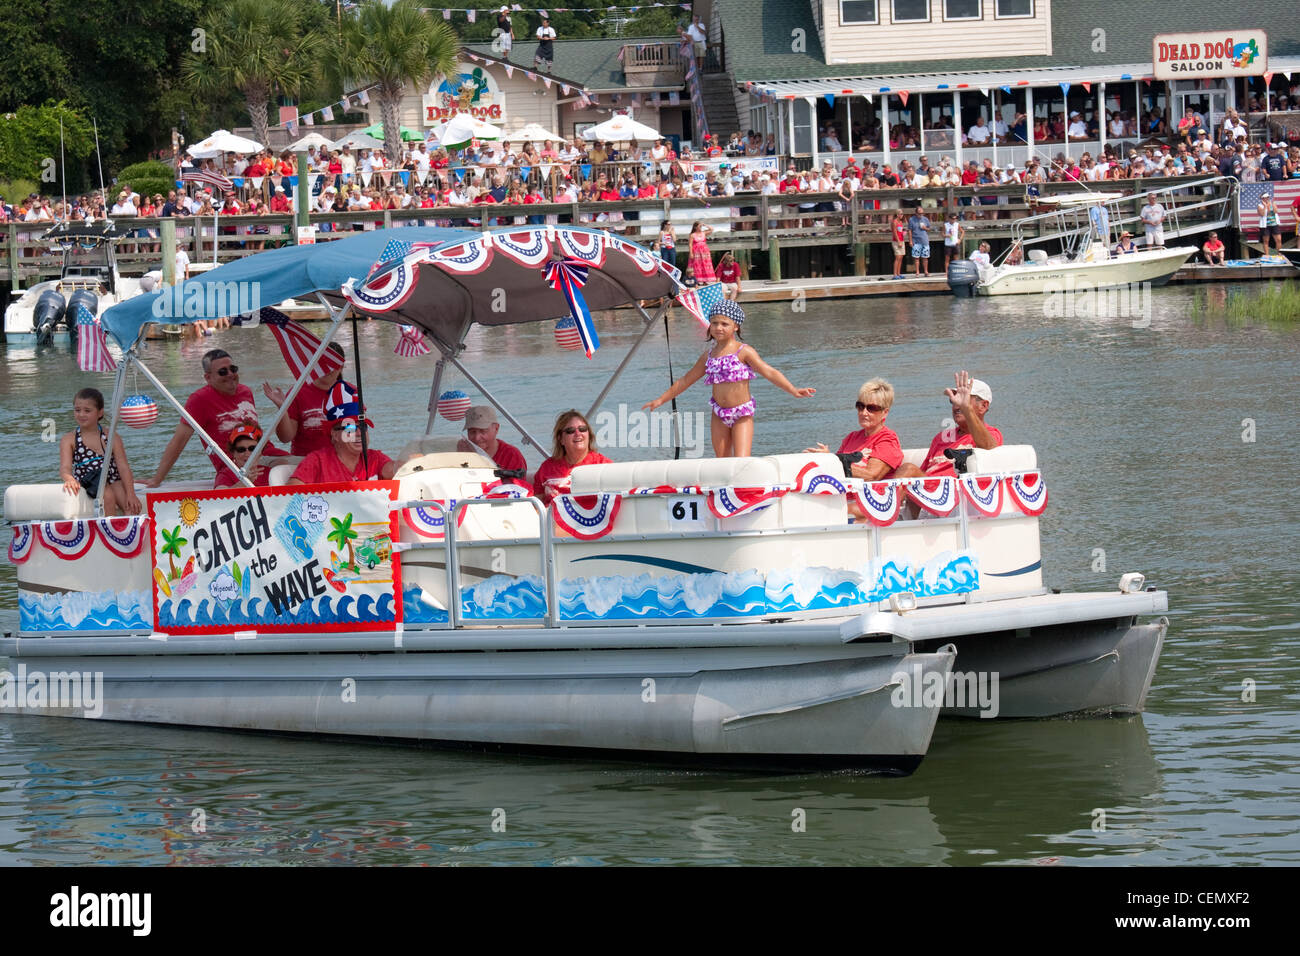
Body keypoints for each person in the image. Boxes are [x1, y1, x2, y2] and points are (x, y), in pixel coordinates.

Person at [643, 300, 815, 458]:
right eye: (715, 323)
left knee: (741, 461)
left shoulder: (744, 351)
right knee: (723, 461)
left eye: (725, 324)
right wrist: (661, 400)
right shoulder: (708, 356)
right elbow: (685, 380)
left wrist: (793, 390)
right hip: (718, 414)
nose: (719, 327)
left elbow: (769, 372)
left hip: (742, 414)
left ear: (736, 327)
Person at [146, 349, 265, 486]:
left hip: (263, 455)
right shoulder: (199, 400)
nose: (230, 374)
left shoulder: (246, 391)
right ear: (208, 378)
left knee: (292, 463)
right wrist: (157, 479)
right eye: (223, 372)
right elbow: (179, 441)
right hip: (234, 465)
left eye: (233, 369)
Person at [804, 379, 903, 523]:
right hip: (843, 500)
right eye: (860, 406)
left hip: (871, 503)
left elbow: (871, 476)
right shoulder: (852, 437)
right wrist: (826, 460)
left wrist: (833, 459)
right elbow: (838, 469)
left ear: (885, 412)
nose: (864, 412)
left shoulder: (887, 439)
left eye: (872, 408)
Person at [894, 371, 1002, 481]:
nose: (956, 406)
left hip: (954, 490)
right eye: (953, 400)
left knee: (908, 469)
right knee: (908, 470)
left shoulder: (991, 434)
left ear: (983, 406)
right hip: (927, 490)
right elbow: (923, 472)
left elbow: (990, 449)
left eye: (964, 399)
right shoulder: (942, 437)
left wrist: (967, 409)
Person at [288, 383, 400, 484]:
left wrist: (412, 459)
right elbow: (292, 491)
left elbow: (395, 471)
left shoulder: (375, 458)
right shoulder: (317, 461)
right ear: (335, 434)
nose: (359, 433)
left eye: (363, 426)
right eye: (350, 427)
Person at [260, 343, 352, 458]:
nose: (326, 369)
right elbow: (285, 438)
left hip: (342, 462)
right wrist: (282, 408)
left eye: (331, 364)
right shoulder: (297, 392)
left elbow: (355, 436)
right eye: (322, 363)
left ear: (341, 367)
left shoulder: (352, 393)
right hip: (305, 463)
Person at [59, 387, 141, 516]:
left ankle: (129, 532)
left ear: (100, 413)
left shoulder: (111, 436)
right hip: (89, 479)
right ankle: (110, 531)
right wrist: (69, 479)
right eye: (77, 410)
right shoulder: (69, 439)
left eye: (87, 411)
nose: (81, 414)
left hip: (112, 478)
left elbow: (123, 467)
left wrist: (131, 494)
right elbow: (65, 468)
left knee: (130, 506)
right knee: (107, 496)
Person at [533, 409, 611, 507]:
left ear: (589, 435)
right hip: (552, 520)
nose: (578, 434)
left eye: (582, 429)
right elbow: (536, 506)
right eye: (570, 431)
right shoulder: (547, 467)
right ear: (561, 439)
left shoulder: (603, 465)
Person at [456, 405, 528, 471]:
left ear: (496, 429)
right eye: (472, 432)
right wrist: (463, 457)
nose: (477, 438)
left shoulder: (511, 455)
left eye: (483, 431)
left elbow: (517, 484)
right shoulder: (463, 451)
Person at [907, 206, 932, 277]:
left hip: (925, 240)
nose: (921, 215)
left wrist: (925, 228)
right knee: (916, 257)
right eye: (919, 213)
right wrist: (910, 241)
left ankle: (926, 271)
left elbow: (929, 229)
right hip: (916, 241)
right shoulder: (912, 219)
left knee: (925, 258)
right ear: (916, 213)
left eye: (922, 213)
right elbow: (909, 230)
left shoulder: (925, 219)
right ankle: (917, 272)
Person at [891, 211, 907, 279]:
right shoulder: (894, 222)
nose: (902, 215)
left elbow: (900, 231)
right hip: (896, 241)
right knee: (897, 257)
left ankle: (898, 273)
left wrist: (904, 232)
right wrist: (898, 241)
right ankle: (895, 275)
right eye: (901, 214)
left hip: (902, 240)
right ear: (897, 214)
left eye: (903, 214)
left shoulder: (900, 222)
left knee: (901, 257)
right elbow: (894, 232)